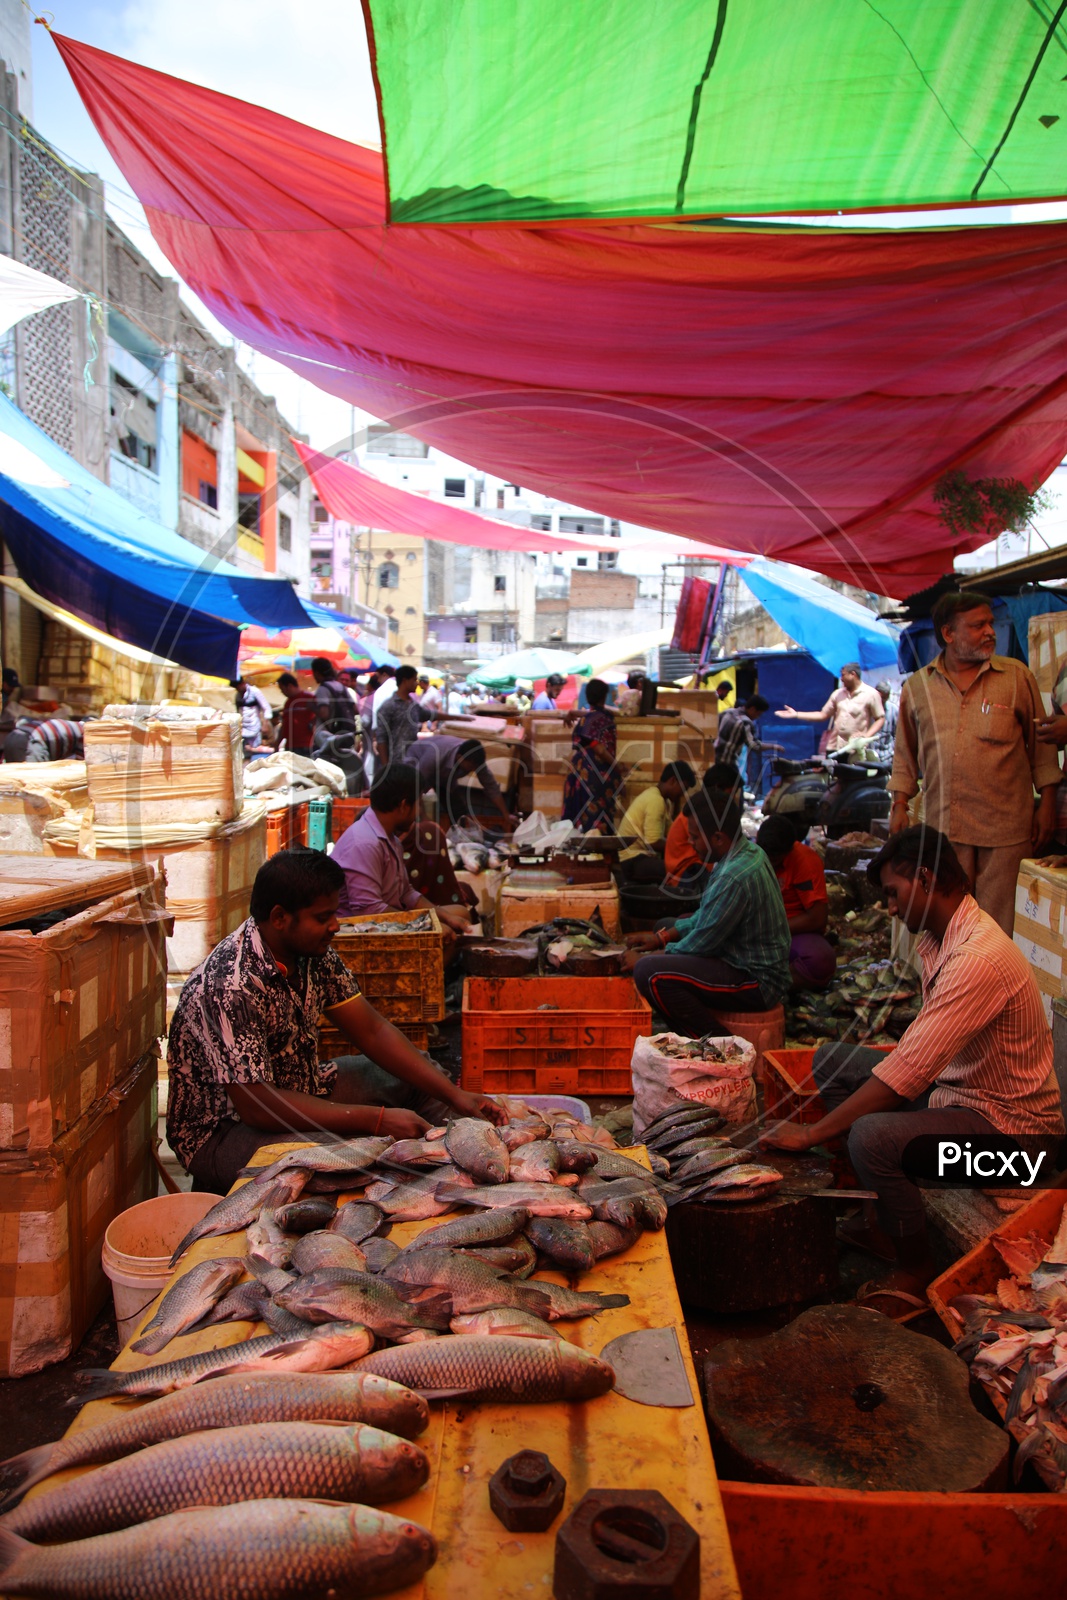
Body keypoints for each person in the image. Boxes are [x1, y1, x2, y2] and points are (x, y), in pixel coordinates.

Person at [762, 826, 1064, 1318]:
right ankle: (878, 1220)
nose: (890, 908)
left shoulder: (977, 958)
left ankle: (916, 1268)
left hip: (1018, 1148)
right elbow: (915, 1060)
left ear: (925, 879)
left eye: (893, 893)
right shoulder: (941, 941)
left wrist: (811, 1134)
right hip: (963, 1101)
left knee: (871, 1136)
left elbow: (906, 1074)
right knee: (831, 1060)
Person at [166, 848, 502, 1193]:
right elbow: (259, 1107)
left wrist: (455, 1094)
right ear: (280, 917)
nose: (335, 926)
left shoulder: (310, 953)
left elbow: (372, 1031)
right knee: (349, 1159)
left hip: (301, 1086)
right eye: (323, 917)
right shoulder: (229, 985)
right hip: (223, 1131)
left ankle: (468, 1155)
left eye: (335, 913)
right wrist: (376, 1120)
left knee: (420, 1078)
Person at [890, 591, 1059, 934]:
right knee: (948, 922)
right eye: (978, 625)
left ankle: (993, 973)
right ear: (948, 633)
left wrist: (1048, 804)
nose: (990, 632)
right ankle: (953, 972)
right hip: (945, 830)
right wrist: (899, 804)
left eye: (990, 624)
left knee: (998, 927)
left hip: (1006, 831)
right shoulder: (918, 687)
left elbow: (1042, 748)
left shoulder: (1016, 678)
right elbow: (905, 754)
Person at [624, 790, 791, 1035]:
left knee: (649, 973)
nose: (690, 843)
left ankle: (717, 1042)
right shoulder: (746, 852)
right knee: (669, 924)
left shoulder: (733, 876)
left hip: (756, 982)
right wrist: (661, 938)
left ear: (718, 838)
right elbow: (706, 916)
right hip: (742, 959)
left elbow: (701, 944)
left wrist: (644, 959)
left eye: (694, 837)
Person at [331, 764, 471, 936]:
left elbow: (406, 893)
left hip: (384, 917)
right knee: (443, 934)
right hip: (357, 928)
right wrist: (423, 926)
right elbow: (369, 910)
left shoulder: (391, 840)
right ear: (404, 806)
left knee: (459, 914)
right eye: (418, 804)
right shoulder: (365, 843)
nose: (419, 812)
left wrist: (446, 917)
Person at [756, 814, 836, 989]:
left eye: (774, 860)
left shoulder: (805, 861)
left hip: (791, 933)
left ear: (789, 850)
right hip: (753, 933)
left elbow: (817, 918)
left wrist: (770, 930)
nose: (768, 863)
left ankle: (769, 985)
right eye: (765, 856)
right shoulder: (752, 856)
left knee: (821, 960)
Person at [404, 733, 514, 829]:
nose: (473, 770)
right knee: (411, 809)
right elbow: (415, 785)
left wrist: (506, 814)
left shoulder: (475, 761)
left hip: (444, 776)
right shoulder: (434, 756)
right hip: (416, 767)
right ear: (460, 757)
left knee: (459, 811)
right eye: (470, 767)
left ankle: (459, 839)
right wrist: (423, 816)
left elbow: (491, 787)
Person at [617, 762, 696, 884]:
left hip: (639, 858)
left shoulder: (663, 801)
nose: (683, 794)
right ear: (673, 781)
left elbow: (672, 834)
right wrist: (683, 849)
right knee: (679, 871)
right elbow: (653, 842)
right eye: (683, 789)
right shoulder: (655, 800)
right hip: (632, 860)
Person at [775, 664, 885, 753]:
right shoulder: (838, 694)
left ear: (853, 674)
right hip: (835, 747)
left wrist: (866, 736)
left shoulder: (871, 694)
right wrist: (796, 714)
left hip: (855, 748)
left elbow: (880, 718)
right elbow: (823, 715)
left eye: (843, 675)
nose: (841, 679)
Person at [561, 678, 622, 833]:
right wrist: (618, 767)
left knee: (583, 819)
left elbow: (591, 715)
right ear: (604, 697)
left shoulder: (587, 720)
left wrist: (573, 712)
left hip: (583, 772)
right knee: (599, 818)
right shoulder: (607, 717)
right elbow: (598, 748)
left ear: (587, 697)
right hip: (596, 774)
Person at [375, 665, 436, 765]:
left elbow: (428, 714)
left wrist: (456, 717)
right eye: (414, 680)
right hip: (396, 761)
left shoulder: (413, 705)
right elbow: (381, 739)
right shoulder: (389, 706)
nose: (417, 683)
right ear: (405, 681)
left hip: (412, 760)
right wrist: (386, 767)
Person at [712, 694, 770, 785]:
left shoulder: (728, 712)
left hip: (714, 758)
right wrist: (774, 746)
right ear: (752, 709)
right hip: (728, 762)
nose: (757, 717)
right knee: (737, 787)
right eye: (758, 714)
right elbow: (754, 746)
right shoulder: (745, 722)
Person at [311, 656, 358, 752]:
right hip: (344, 735)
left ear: (317, 672)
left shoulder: (323, 689)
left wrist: (312, 707)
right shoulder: (341, 687)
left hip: (328, 738)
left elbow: (324, 714)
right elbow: (355, 710)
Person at [3, 716, 84, 763]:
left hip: (13, 735)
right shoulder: (86, 733)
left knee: (13, 778)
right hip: (31, 741)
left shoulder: (75, 726)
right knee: (33, 781)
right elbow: (79, 765)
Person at [276, 672, 316, 758]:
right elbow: (284, 725)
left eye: (282, 689)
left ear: (290, 686)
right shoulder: (288, 703)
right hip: (290, 746)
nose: (282, 692)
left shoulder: (309, 698)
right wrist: (277, 743)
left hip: (306, 745)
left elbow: (320, 716)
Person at [233, 678, 274, 756]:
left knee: (255, 751)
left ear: (243, 683)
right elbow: (238, 712)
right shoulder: (238, 695)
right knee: (244, 753)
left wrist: (265, 724)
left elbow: (266, 708)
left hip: (254, 727)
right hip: (243, 729)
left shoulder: (255, 692)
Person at [869, 679, 897, 764]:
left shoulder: (893, 710)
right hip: (869, 755)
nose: (881, 700)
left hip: (886, 756)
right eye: (880, 697)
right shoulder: (867, 708)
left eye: (884, 698)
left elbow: (897, 734)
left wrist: (893, 751)